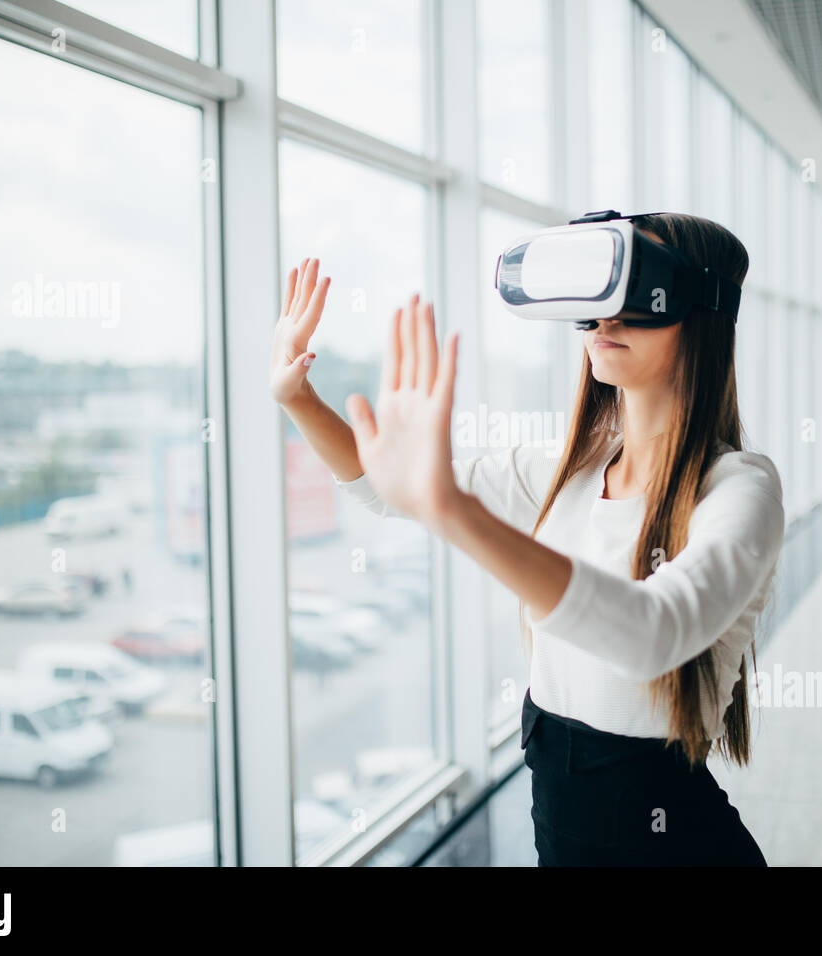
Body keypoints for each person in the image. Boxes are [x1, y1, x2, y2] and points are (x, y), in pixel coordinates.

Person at [270, 212, 784, 866]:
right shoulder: (566, 469)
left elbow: (656, 634)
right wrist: (298, 397)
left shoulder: (740, 489)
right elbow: (387, 489)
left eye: (637, 295)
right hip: (564, 836)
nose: (605, 320)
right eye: (598, 299)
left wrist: (457, 512)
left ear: (702, 308)